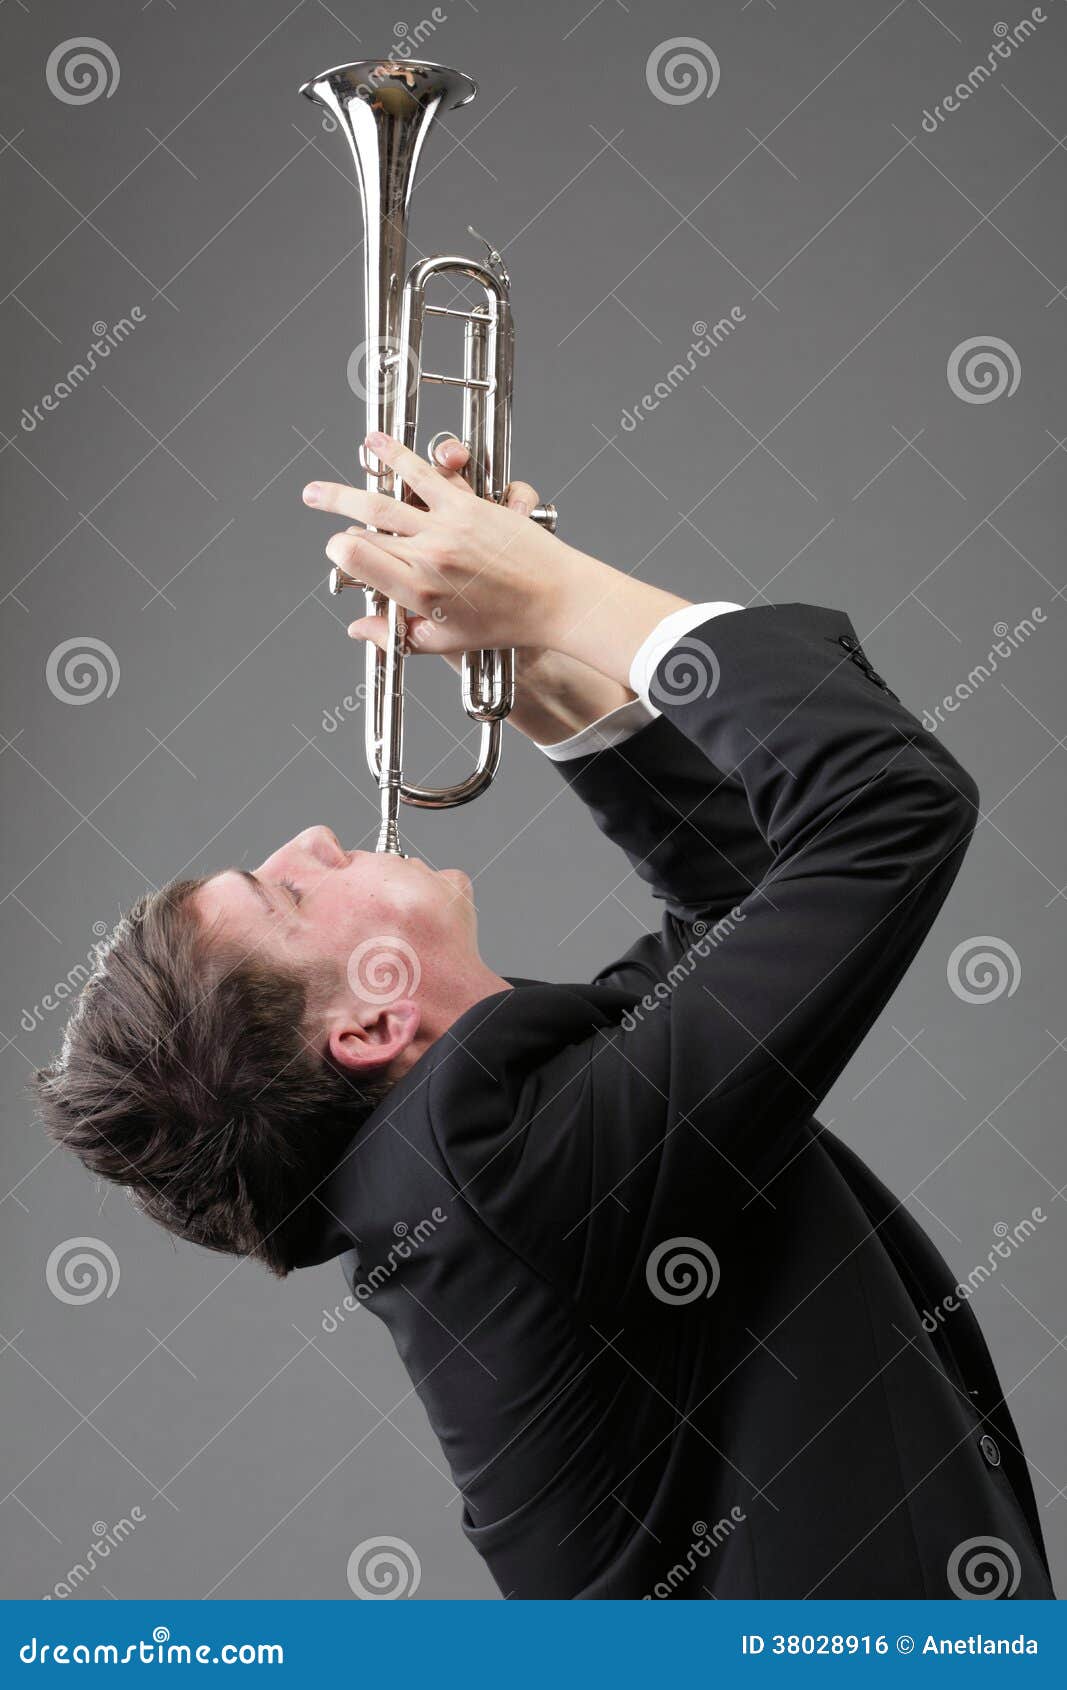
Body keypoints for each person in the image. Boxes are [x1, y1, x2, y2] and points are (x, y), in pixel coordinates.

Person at [35, 432, 1054, 1599]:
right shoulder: (500, 1179)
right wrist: (562, 595)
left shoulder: (474, 1158)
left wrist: (535, 669)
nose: (309, 840)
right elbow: (887, 806)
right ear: (366, 1027)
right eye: (288, 894)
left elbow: (745, 900)